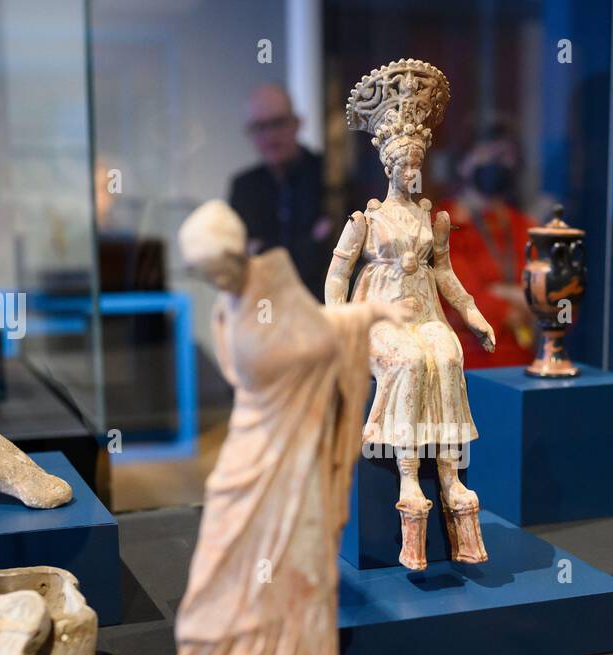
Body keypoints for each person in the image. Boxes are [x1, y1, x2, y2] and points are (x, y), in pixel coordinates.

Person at [147, 200, 405, 655]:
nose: (211, 279)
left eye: (214, 267)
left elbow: (320, 329)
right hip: (248, 452)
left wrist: (371, 314)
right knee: (221, 565)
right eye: (201, 272)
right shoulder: (226, 304)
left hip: (296, 453)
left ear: (234, 253)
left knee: (302, 565)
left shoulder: (276, 284)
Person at [325, 59, 496, 572]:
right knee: (407, 364)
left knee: (445, 358)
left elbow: (443, 273)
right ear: (389, 165)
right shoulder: (366, 220)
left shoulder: (431, 218)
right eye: (404, 163)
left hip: (426, 314)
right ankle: (406, 480)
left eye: (417, 162)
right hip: (379, 315)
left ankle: (449, 478)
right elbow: (337, 278)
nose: (412, 170)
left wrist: (471, 312)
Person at [435, 124, 536, 367]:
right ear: (462, 163)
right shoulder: (442, 222)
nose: (496, 162)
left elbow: (550, 299)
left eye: (504, 156)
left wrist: (499, 292)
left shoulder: (524, 225)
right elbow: (461, 297)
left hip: (522, 362)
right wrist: (518, 303)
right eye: (486, 154)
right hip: (464, 363)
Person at [227, 83, 333, 288]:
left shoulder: (328, 175)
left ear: (296, 123)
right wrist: (309, 243)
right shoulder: (243, 188)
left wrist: (264, 249)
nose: (269, 136)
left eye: (277, 123)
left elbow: (332, 254)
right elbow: (241, 262)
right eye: (259, 127)